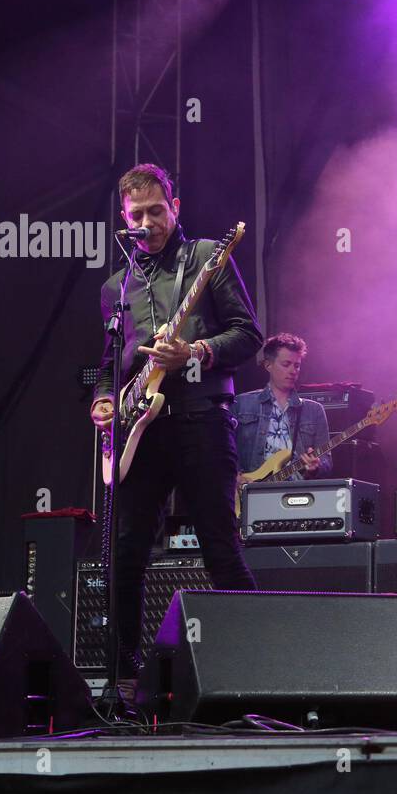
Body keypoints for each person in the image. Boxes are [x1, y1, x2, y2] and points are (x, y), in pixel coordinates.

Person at [89, 163, 264, 693]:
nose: (147, 223)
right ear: (124, 219)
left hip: (203, 420)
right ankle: (125, 679)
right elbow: (107, 360)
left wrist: (198, 350)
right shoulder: (115, 287)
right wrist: (101, 399)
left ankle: (257, 668)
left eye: (156, 211)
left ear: (175, 208)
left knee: (219, 544)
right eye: (136, 215)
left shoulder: (208, 256)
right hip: (141, 431)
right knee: (125, 552)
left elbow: (249, 334)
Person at [234, 333, 333, 480]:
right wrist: (235, 477)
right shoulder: (241, 404)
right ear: (268, 364)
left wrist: (315, 467)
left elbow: (327, 462)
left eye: (297, 365)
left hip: (296, 494)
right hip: (250, 492)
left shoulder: (314, 411)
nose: (293, 371)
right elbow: (223, 452)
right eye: (286, 364)